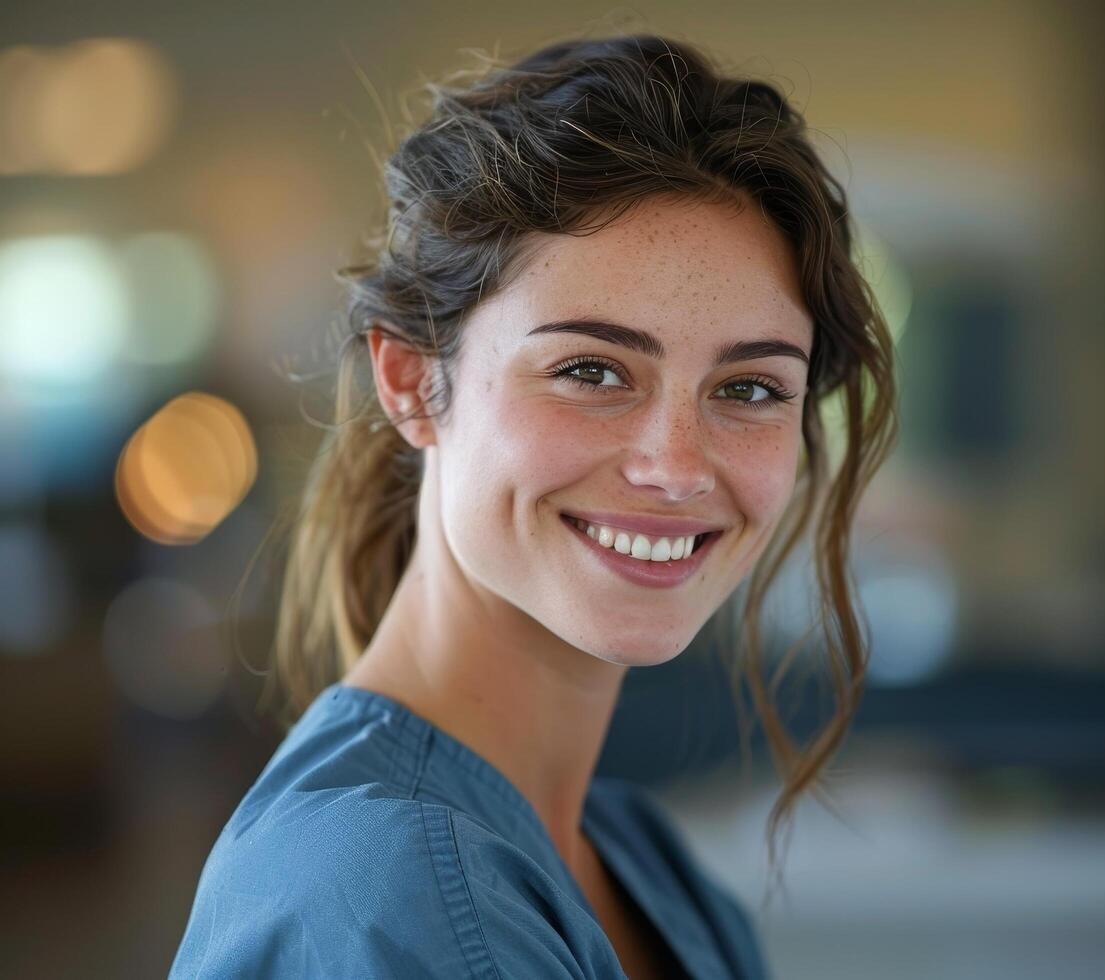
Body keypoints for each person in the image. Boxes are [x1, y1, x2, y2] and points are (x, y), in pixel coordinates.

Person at [170, 32, 898, 979]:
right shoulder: (395, 892)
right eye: (591, 370)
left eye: (751, 388)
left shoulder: (634, 854)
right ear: (411, 380)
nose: (677, 467)